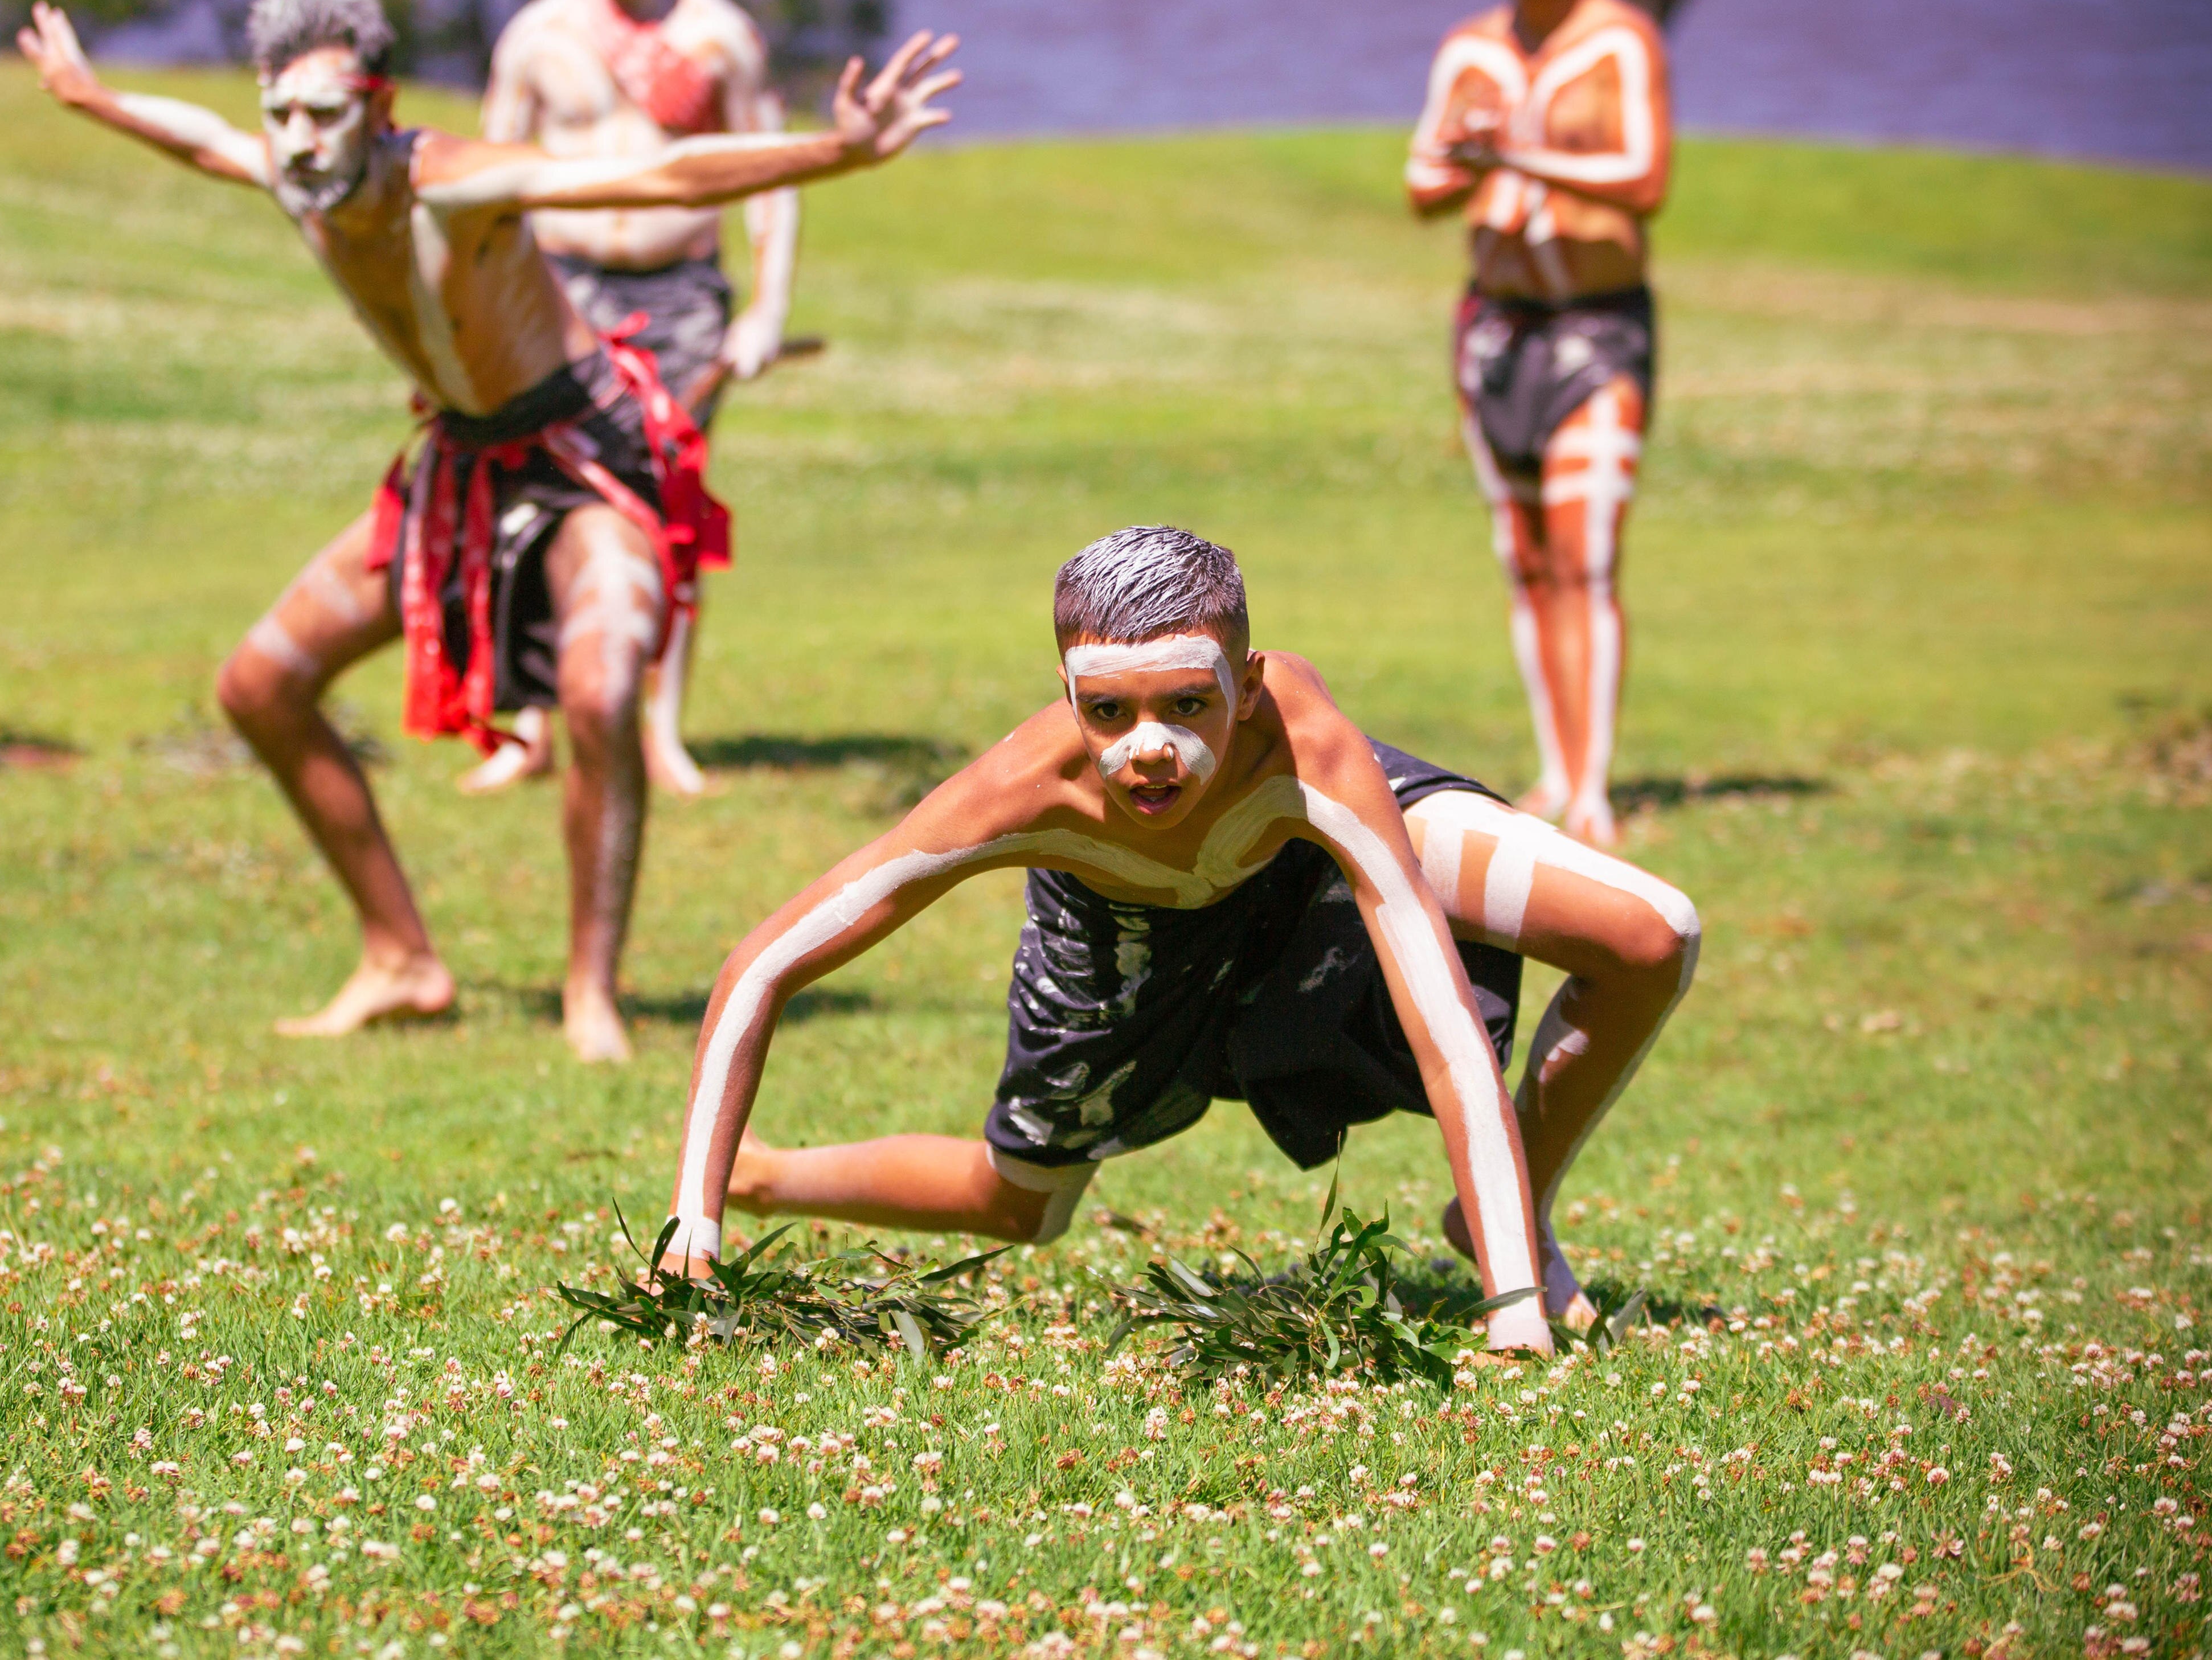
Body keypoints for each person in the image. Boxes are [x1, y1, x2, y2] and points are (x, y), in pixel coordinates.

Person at [16, 0, 957, 1061]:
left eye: (326, 114)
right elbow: (200, 137)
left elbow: (653, 173)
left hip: (587, 452)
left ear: (380, 103)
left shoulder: (456, 182)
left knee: (602, 693)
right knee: (259, 687)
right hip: (463, 466)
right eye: (281, 115)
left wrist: (832, 152)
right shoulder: (289, 171)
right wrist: (88, 95)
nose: (300, 141)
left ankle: (591, 991)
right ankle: (400, 958)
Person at [654, 526, 1701, 1346]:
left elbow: (1439, 1017)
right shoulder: (1025, 790)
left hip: (1297, 855)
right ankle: (762, 1174)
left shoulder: (1307, 747)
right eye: (1106, 711)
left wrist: (1511, 1298)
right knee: (1019, 1206)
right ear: (1067, 692)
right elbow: (765, 962)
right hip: (1118, 928)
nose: (1147, 750)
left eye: (1189, 704)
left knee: (1649, 932)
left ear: (1246, 684)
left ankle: (1500, 1223)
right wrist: (691, 1228)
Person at [470, 0, 802, 798]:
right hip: (561, 292)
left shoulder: (718, 35)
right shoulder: (539, 33)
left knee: (672, 501)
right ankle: (528, 727)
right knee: (535, 493)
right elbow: (486, 177)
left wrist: (770, 307)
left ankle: (662, 729)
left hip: (684, 296)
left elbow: (773, 174)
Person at [1407, 0, 1672, 850]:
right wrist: (1464, 156)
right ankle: (1555, 772)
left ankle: (1595, 783)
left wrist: (1513, 150)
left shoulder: (1620, 43)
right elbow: (1422, 183)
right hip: (1494, 328)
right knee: (1523, 557)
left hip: (1596, 329)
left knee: (1587, 555)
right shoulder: (1466, 50)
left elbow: (1644, 178)